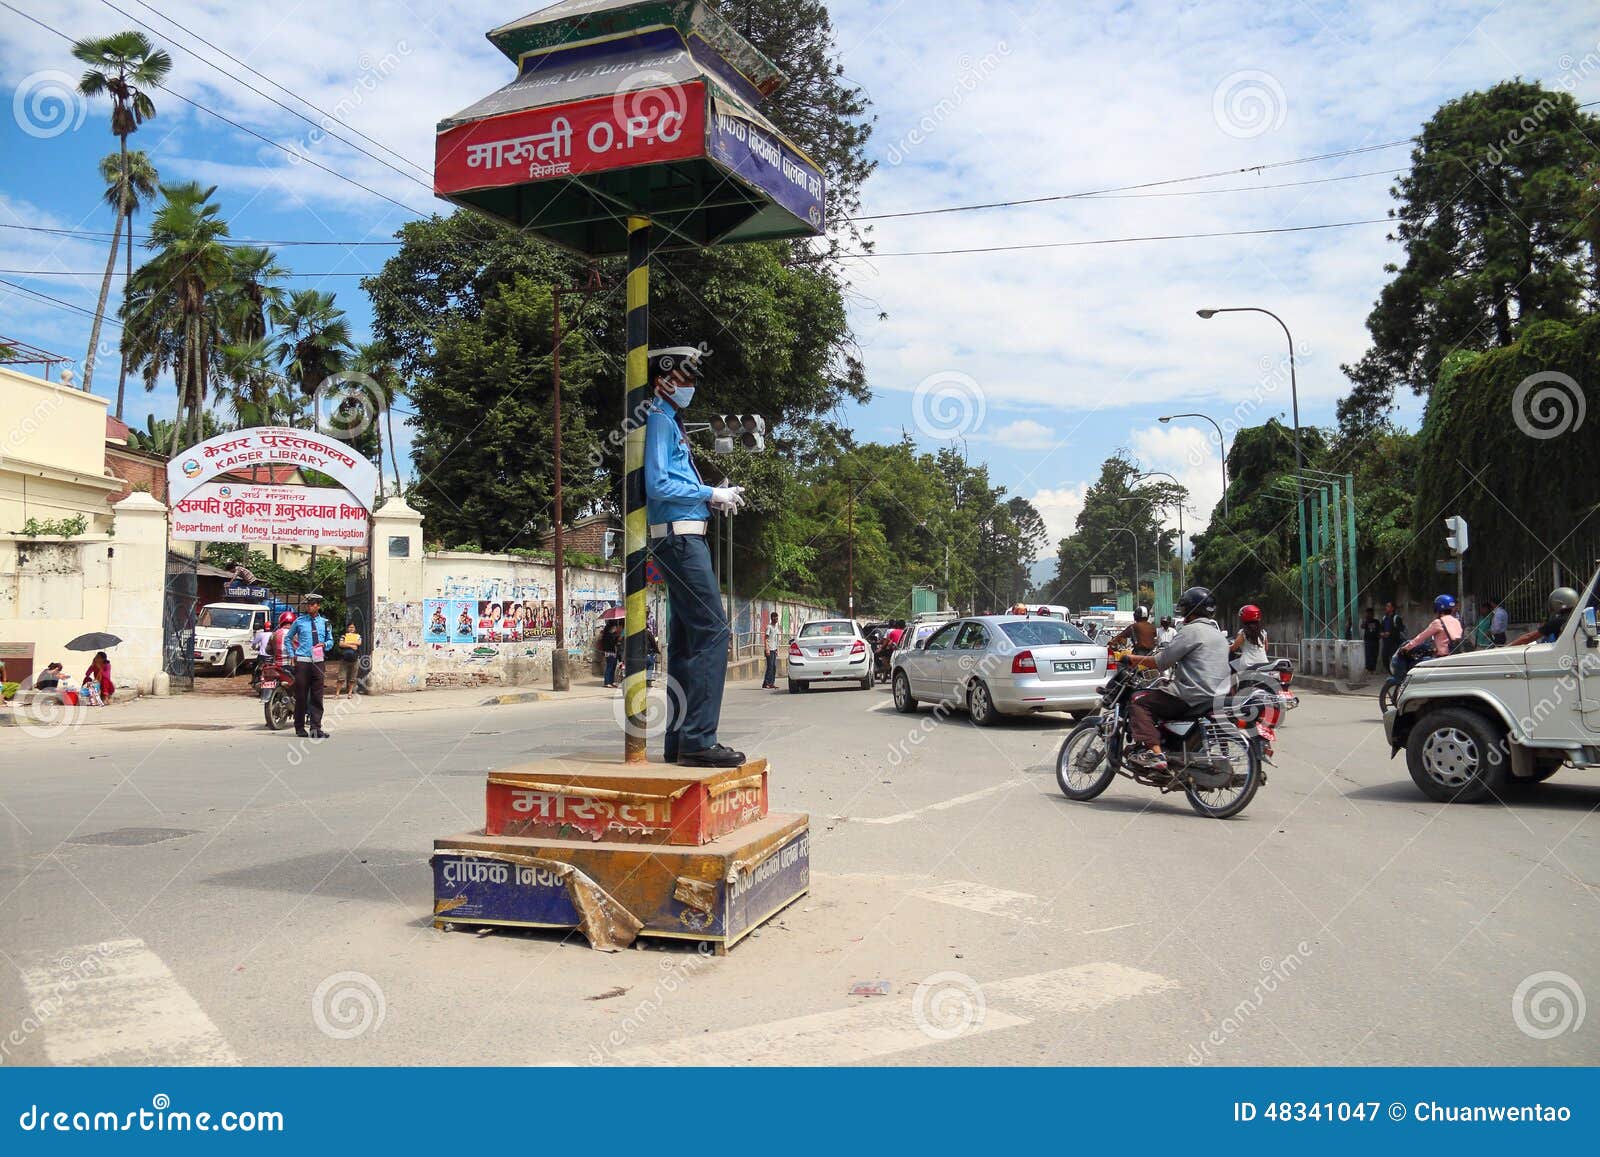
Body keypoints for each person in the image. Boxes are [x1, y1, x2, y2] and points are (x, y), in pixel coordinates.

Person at [644, 346, 745, 768]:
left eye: (690, 379)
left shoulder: (672, 421)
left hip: (682, 537)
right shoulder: (659, 420)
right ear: (661, 381)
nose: (689, 387)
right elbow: (659, 485)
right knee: (714, 632)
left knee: (686, 642)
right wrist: (709, 493)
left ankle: (679, 740)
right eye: (682, 379)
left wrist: (712, 502)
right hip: (681, 543)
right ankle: (700, 738)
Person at [1116, 586, 1232, 774]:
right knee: (1163, 691)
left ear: (1191, 610)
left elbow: (1162, 661)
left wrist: (1131, 659)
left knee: (1139, 701)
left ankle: (1155, 753)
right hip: (1217, 695)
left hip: (1191, 695)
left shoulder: (1191, 631)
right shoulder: (1219, 635)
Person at [287, 593, 333, 739]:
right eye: (308, 604)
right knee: (301, 695)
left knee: (317, 696)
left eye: (312, 604)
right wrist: (292, 654)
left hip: (318, 662)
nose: (309, 606)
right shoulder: (299, 621)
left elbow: (331, 641)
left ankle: (315, 728)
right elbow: (288, 638)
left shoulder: (325, 623)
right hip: (303, 661)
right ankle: (299, 727)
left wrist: (324, 644)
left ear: (318, 606)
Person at [1401, 595, 1464, 662]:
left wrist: (1406, 648)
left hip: (1443, 659)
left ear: (1438, 608)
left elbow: (1421, 638)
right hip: (1456, 656)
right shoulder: (1457, 621)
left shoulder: (1438, 622)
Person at [1510, 587, 1579, 646]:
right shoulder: (1579, 616)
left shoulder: (1558, 621)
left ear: (1559, 603)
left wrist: (1507, 647)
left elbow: (1529, 638)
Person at [1230, 604, 1270, 669]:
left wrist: (1225, 647)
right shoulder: (1263, 632)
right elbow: (1266, 649)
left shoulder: (1243, 633)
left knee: (1234, 672)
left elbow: (1234, 648)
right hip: (1264, 663)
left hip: (1248, 664)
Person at [336, 621, 363, 699]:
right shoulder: (344, 636)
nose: (351, 629)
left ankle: (350, 693)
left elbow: (359, 643)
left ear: (355, 629)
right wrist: (351, 645)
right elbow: (341, 644)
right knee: (341, 677)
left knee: (352, 678)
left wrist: (347, 643)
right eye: (350, 627)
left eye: (353, 627)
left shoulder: (358, 636)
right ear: (347, 628)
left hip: (355, 659)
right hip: (345, 659)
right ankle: (337, 693)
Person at [1378, 601, 1406, 671]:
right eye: (1386, 606)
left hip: (1395, 642)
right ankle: (1390, 672)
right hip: (1386, 642)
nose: (1386, 608)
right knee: (1384, 658)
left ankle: (1396, 672)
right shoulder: (1384, 618)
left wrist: (1390, 633)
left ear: (1392, 608)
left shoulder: (1396, 618)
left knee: (1394, 658)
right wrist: (1381, 633)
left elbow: (1400, 629)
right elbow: (1381, 627)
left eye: (1388, 606)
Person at [761, 610, 781, 689]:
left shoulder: (776, 627)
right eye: (775, 618)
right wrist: (767, 649)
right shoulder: (768, 627)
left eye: (777, 618)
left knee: (774, 667)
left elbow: (775, 639)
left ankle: (771, 683)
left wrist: (777, 649)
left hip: (774, 648)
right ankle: (766, 683)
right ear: (772, 618)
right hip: (769, 649)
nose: (776, 620)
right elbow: (765, 638)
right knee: (770, 667)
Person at [599, 619, 621, 688]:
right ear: (612, 627)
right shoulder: (608, 635)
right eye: (615, 627)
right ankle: (607, 682)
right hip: (609, 652)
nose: (616, 628)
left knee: (613, 667)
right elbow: (612, 643)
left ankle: (611, 682)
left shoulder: (610, 634)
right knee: (609, 667)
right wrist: (617, 639)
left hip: (612, 652)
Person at [1361, 606, 1382, 672]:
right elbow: (1362, 626)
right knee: (1368, 655)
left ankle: (1373, 669)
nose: (1368, 615)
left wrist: (1379, 636)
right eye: (1367, 613)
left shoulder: (1376, 622)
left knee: (1374, 655)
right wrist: (1366, 620)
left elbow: (1379, 630)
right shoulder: (1366, 622)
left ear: (1372, 614)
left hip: (1375, 641)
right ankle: (1368, 669)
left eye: (1370, 613)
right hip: (1368, 641)